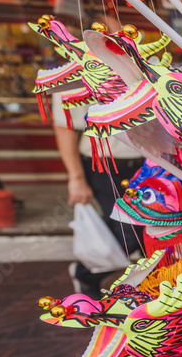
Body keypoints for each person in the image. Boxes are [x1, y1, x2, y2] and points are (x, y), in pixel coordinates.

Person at [53, 17, 143, 298]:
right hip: (105, 163)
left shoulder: (139, 62)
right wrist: (76, 178)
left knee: (147, 227)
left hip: (148, 161)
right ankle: (85, 273)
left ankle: (135, 285)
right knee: (128, 233)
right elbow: (65, 127)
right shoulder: (78, 73)